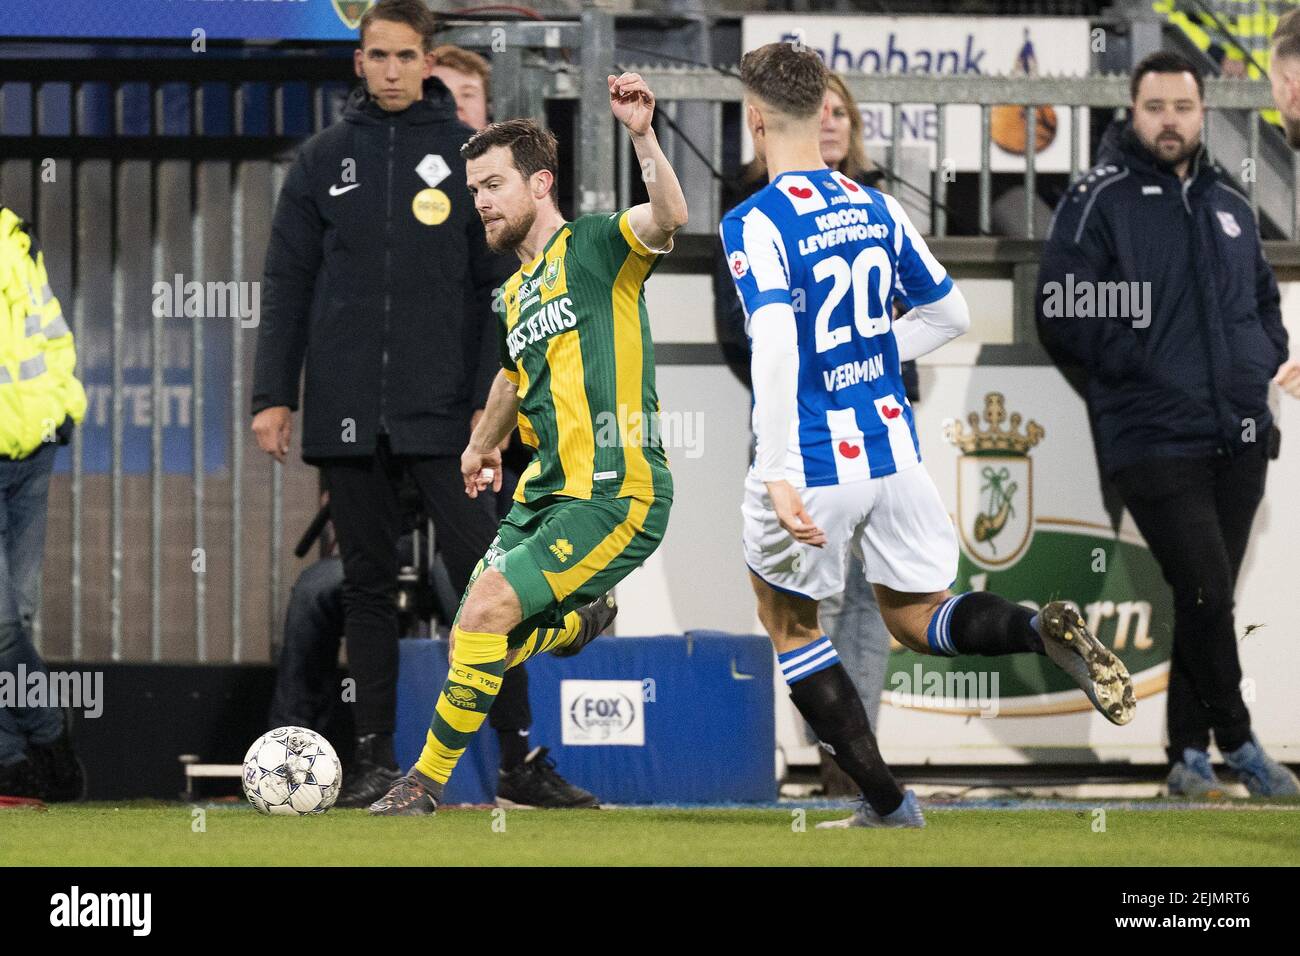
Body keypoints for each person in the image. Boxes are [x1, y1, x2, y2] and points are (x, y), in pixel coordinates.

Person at [721, 43, 1136, 831]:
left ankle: (886, 803)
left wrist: (776, 469)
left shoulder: (755, 221)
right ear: (823, 112)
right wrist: (871, 351)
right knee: (917, 617)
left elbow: (773, 342)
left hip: (811, 454)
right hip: (892, 449)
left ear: (755, 119)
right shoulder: (876, 206)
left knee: (792, 628)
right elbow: (948, 315)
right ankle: (1033, 628)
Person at [251, 0, 606, 808]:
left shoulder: (464, 156)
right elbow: (287, 284)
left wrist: (495, 415)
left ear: (427, 59)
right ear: (360, 60)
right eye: (377, 56)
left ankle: (517, 760)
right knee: (366, 587)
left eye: (406, 57)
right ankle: (375, 758)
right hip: (346, 410)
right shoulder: (321, 159)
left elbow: (503, 290)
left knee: (492, 580)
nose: (391, 71)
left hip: (451, 417)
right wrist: (273, 396)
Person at [369, 72, 688, 816]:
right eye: (472, 187)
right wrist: (482, 446)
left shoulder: (598, 247)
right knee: (469, 641)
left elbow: (670, 215)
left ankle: (420, 785)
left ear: (540, 184)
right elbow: (514, 379)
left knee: (483, 613)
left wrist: (642, 134)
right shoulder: (514, 291)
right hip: (544, 494)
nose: (479, 200)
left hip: (618, 491)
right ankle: (580, 623)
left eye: (492, 184)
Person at [1038, 51, 1299, 799]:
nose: (1170, 120)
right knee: (1210, 588)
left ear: (1201, 109)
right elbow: (1060, 307)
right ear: (1134, 109)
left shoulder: (1229, 200)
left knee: (1202, 596)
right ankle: (1241, 742)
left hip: (1239, 436)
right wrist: (1139, 361)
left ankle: (1186, 757)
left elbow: (1261, 307)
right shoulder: (1100, 197)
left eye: (1183, 107)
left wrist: (1258, 365)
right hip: (1150, 438)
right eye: (1155, 107)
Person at [714, 71, 909, 793]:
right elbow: (737, 333)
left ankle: (856, 758)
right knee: (805, 598)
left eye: (838, 114)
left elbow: (909, 318)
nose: (827, 125)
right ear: (779, 122)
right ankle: (838, 753)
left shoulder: (882, 206)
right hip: (796, 430)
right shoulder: (749, 211)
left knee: (867, 597)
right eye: (814, 113)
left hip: (877, 429)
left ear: (851, 126)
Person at [0, 205, 87, 802]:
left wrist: (63, 410)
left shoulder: (15, 239)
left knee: (21, 615)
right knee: (2, 626)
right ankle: (46, 738)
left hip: (31, 449)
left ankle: (11, 766)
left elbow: (52, 336)